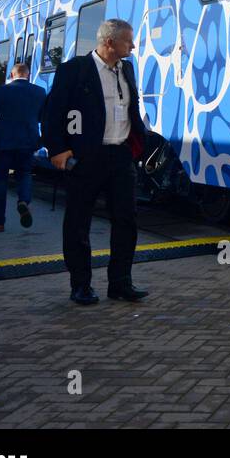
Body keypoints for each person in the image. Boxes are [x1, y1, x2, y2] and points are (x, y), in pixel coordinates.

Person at [42, 19, 148, 305]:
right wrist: (58, 150)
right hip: (86, 158)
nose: (133, 46)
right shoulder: (74, 70)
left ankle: (121, 283)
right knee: (78, 223)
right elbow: (52, 113)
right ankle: (81, 285)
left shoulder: (126, 69)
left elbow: (131, 109)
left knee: (126, 221)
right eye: (128, 41)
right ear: (109, 42)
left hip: (121, 155)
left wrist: (140, 142)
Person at [0, 62, 48, 233]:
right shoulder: (39, 92)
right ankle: (23, 201)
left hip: (2, 142)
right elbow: (43, 118)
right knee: (25, 174)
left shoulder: (2, 90)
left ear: (12, 75)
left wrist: (3, 125)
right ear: (28, 74)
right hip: (27, 142)